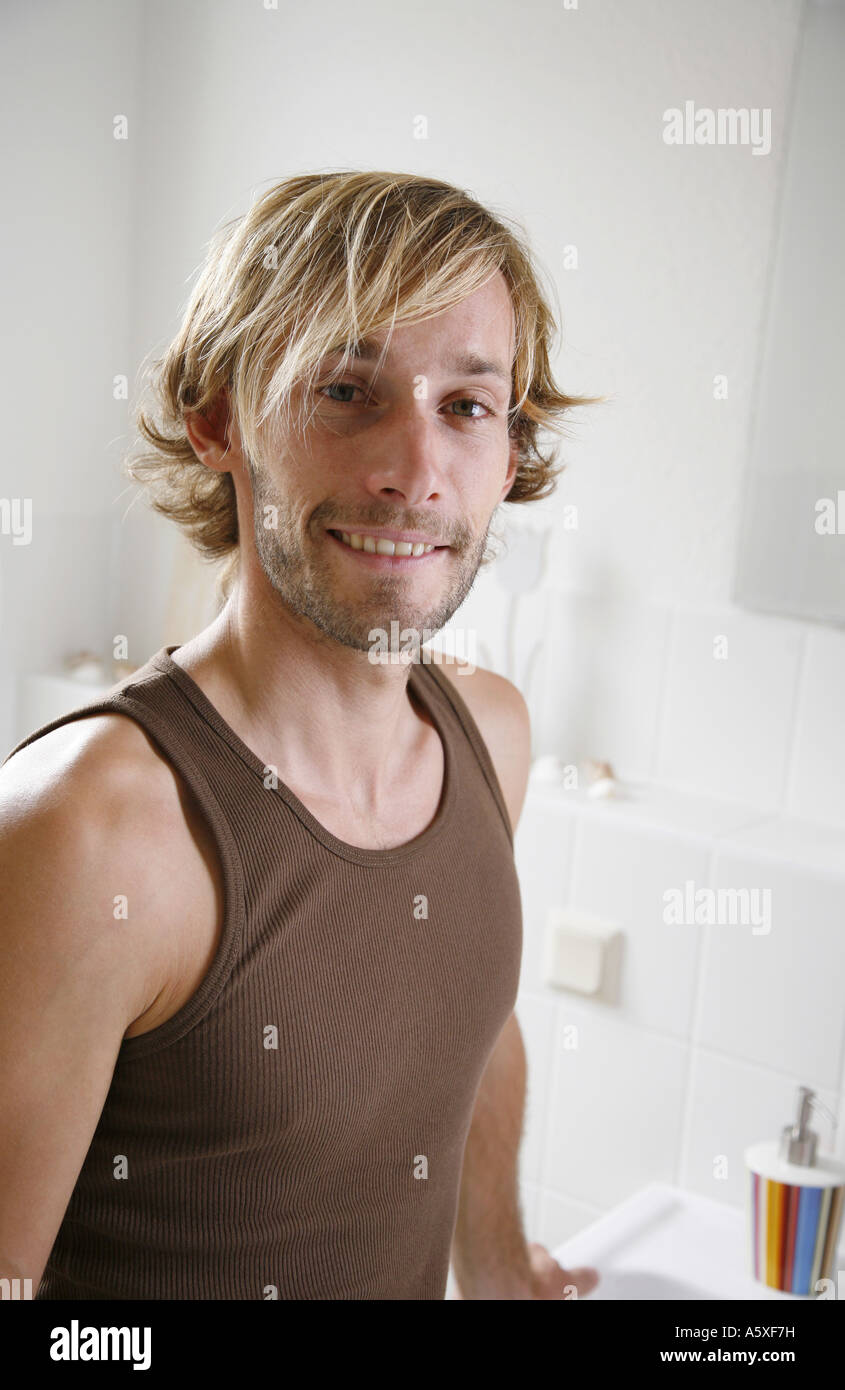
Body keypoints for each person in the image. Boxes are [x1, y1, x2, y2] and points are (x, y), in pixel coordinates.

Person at [0, 170, 600, 1300]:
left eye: (465, 407)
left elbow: (470, 1029)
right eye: (345, 390)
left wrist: (498, 1263)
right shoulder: (90, 830)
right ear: (218, 417)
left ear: (507, 451)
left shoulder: (490, 732)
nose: (414, 471)